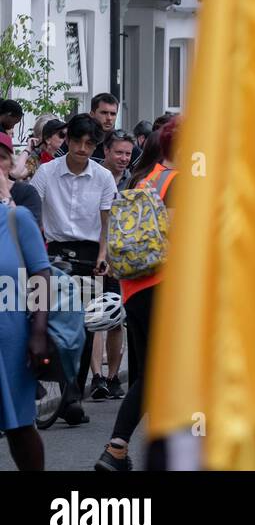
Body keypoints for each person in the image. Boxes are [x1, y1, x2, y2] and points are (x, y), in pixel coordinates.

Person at [94, 120, 180, 471]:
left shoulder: (144, 176)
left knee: (148, 371)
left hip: (135, 284)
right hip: (164, 284)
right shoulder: (178, 181)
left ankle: (116, 450)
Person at [30, 113, 117, 422]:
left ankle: (73, 396)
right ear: (66, 140)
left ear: (96, 146)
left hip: (88, 255)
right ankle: (40, 387)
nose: (82, 149)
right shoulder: (46, 172)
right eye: (77, 142)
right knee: (43, 320)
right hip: (51, 254)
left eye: (89, 144)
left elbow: (107, 222)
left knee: (82, 329)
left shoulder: (103, 177)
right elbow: (33, 215)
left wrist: (103, 256)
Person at [0, 193, 50, 470]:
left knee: (18, 426)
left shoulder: (16, 219)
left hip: (11, 343)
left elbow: (41, 274)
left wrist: (39, 332)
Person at [86, 130, 136, 404]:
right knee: (95, 316)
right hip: (95, 253)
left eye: (128, 153)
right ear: (106, 151)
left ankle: (114, 375)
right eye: (119, 152)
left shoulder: (135, 180)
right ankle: (97, 377)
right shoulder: (93, 176)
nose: (124, 158)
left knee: (116, 317)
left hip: (122, 257)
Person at [0, 133, 42, 229]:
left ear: (11, 164)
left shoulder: (27, 192)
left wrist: (4, 194)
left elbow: (28, 232)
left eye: (2, 157)